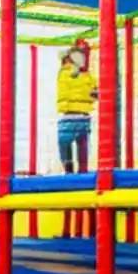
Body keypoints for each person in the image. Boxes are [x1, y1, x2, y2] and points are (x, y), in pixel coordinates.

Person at [57, 39, 96, 174]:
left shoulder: (66, 71)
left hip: (72, 116)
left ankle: (73, 170)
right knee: (79, 143)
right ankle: (80, 170)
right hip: (79, 116)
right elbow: (94, 91)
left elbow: (93, 89)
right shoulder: (84, 74)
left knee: (68, 144)